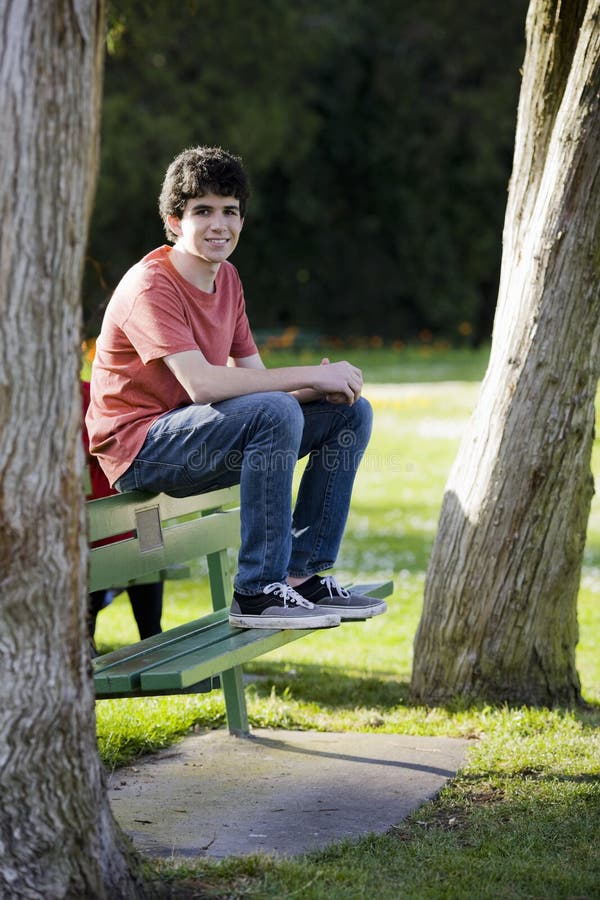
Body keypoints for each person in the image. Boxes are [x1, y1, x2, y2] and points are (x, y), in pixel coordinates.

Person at [86, 145, 387, 630]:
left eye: (230, 211)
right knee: (275, 410)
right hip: (139, 449)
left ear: (243, 220)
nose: (219, 224)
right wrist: (310, 374)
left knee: (351, 413)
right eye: (202, 211)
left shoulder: (227, 279)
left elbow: (261, 389)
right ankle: (255, 593)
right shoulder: (150, 286)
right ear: (173, 221)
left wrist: (323, 390)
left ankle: (300, 576)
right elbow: (203, 384)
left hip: (194, 437)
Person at [82, 379, 163, 647]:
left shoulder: (79, 398)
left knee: (138, 533)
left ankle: (86, 639)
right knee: (146, 530)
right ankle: (152, 637)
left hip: (95, 534)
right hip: (127, 525)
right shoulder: (99, 393)